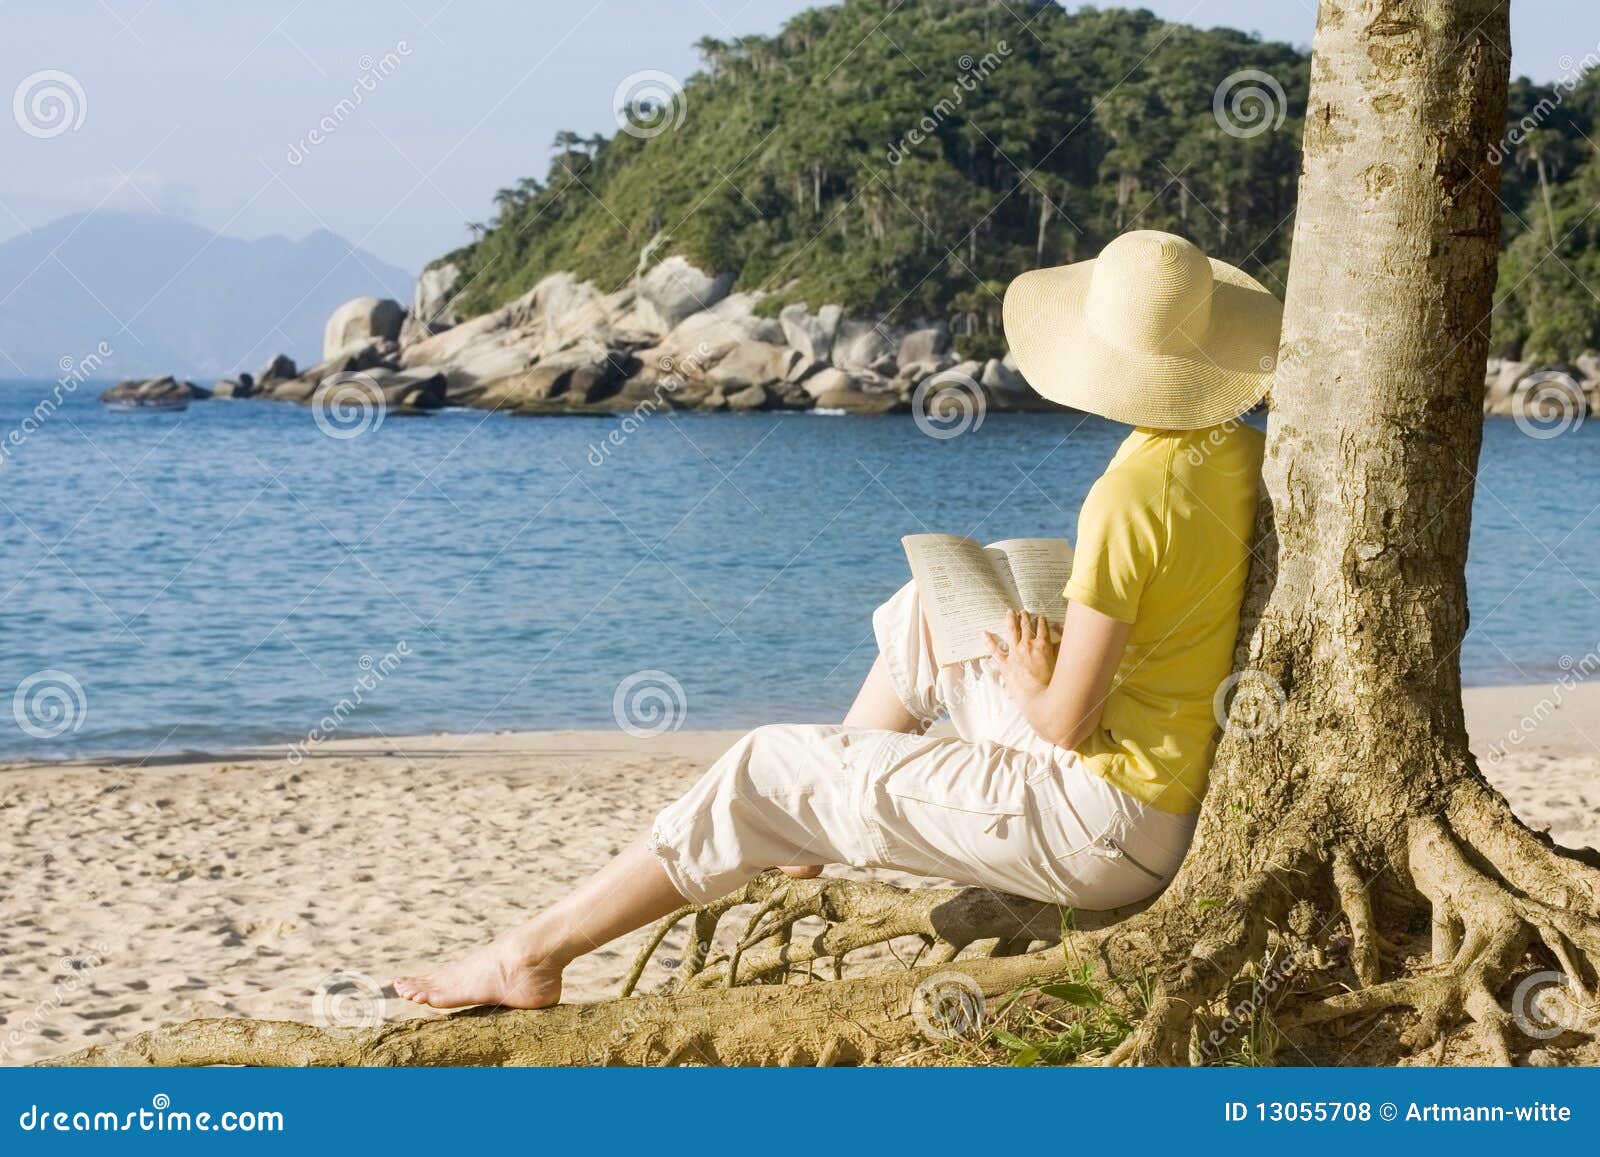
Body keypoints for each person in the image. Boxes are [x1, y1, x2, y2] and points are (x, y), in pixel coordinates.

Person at [395, 229, 1281, 1010]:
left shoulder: (1130, 496)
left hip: (1099, 820)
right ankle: (804, 837)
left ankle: (529, 955)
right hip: (1146, 792)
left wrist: (1030, 675)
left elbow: (1062, 720)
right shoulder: (1239, 449)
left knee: (763, 761)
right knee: (930, 607)